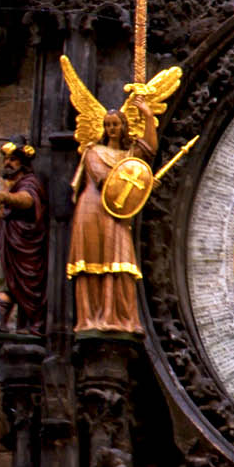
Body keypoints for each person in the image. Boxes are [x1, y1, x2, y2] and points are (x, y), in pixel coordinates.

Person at [66, 99, 157, 334]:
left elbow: (149, 150)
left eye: (116, 124)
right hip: (93, 208)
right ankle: (91, 318)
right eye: (108, 124)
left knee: (121, 261)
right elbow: (104, 179)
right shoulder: (93, 152)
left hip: (117, 211)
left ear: (123, 126)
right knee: (93, 262)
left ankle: (120, 318)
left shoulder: (129, 154)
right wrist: (140, 182)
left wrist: (147, 116)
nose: (112, 129)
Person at [0, 139, 48, 332]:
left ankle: (37, 323)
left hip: (27, 244)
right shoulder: (11, 186)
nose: (8, 163)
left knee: (29, 283)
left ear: (23, 163)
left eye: (13, 159)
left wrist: (4, 198)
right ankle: (1, 321)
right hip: (9, 240)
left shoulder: (29, 182)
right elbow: (1, 219)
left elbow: (27, 201)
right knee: (4, 280)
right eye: (6, 159)